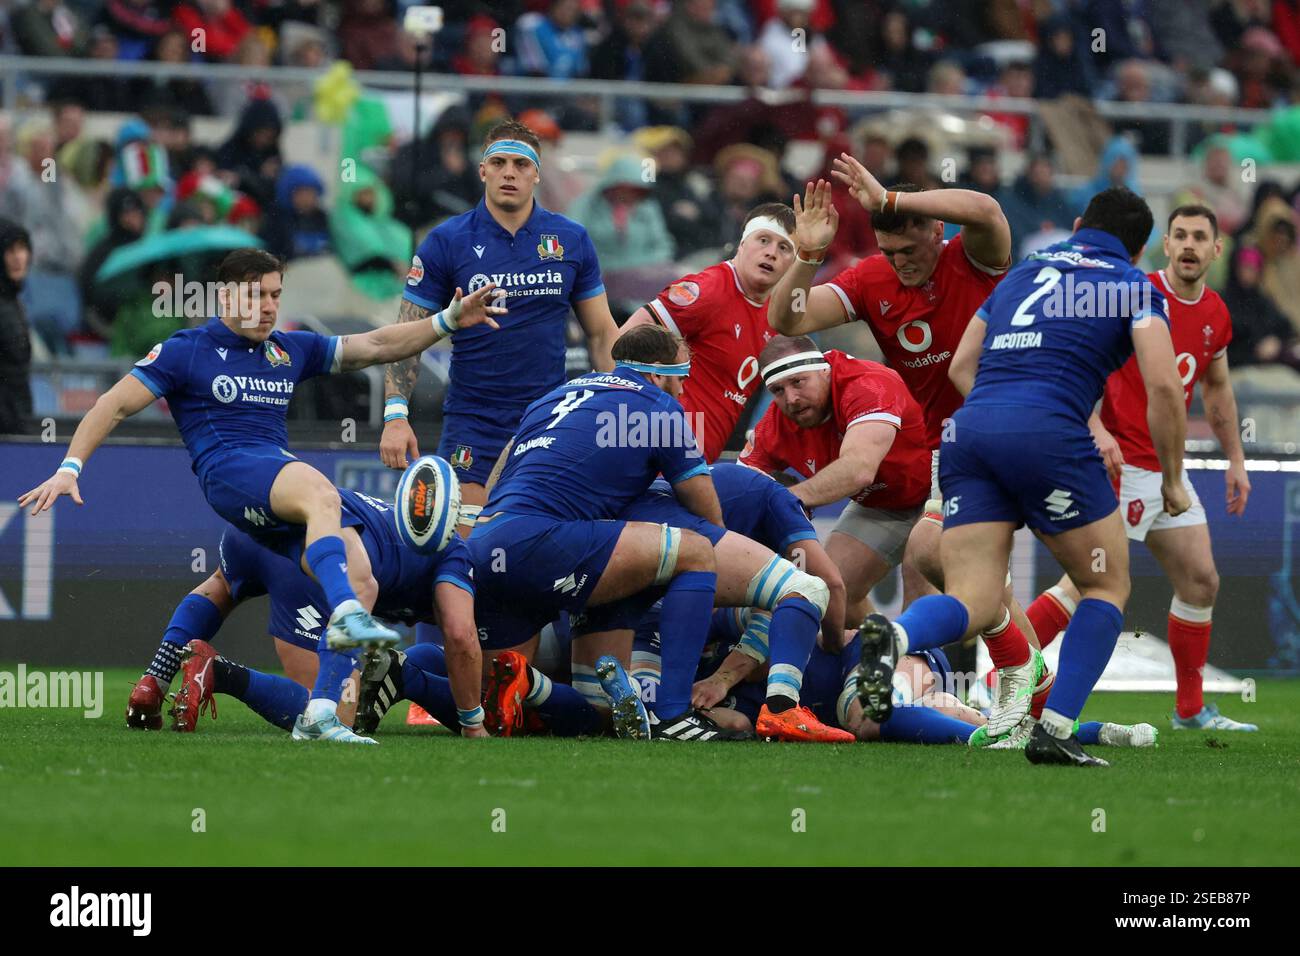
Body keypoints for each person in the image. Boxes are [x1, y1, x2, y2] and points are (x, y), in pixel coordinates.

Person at [18, 248, 504, 743]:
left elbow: (377, 344)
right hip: (230, 469)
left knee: (359, 573)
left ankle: (317, 714)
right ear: (225, 295)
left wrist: (446, 320)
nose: (269, 306)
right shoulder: (188, 350)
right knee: (321, 492)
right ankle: (349, 617)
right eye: (257, 295)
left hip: (268, 498)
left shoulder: (288, 349)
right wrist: (70, 468)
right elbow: (114, 403)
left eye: (275, 294)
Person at [856, 187, 1188, 767]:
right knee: (1105, 584)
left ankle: (898, 637)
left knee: (978, 598)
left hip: (971, 431)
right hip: (1051, 434)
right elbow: (1163, 387)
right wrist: (1174, 478)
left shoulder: (1022, 273)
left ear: (1080, 223)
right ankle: (1055, 729)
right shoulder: (1133, 286)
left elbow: (962, 366)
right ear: (1139, 251)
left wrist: (1001, 421)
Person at [1025, 205, 1258, 733]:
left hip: (1168, 471)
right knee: (1084, 587)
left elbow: (1217, 390)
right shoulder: (1132, 292)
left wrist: (1236, 460)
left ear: (1217, 249)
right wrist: (1095, 427)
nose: (1191, 245)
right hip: (1120, 466)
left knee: (1200, 581)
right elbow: (1075, 360)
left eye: (1201, 236)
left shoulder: (1216, 313)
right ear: (1166, 246)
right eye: (1180, 236)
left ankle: (1190, 710)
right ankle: (1004, 680)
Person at [467, 325, 732, 740]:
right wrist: (716, 571)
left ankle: (409, 671)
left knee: (497, 711)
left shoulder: (551, 397)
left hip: (484, 543)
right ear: (657, 373)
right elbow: (704, 506)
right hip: (541, 542)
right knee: (697, 551)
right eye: (680, 378)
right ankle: (675, 715)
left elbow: (502, 466)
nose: (682, 391)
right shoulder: (657, 405)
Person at [380, 121, 618, 535]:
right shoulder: (445, 241)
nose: (510, 172)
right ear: (482, 171)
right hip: (474, 421)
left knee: (539, 542)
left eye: (522, 164)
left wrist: (626, 407)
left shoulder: (571, 239)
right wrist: (395, 416)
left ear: (537, 174)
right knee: (471, 548)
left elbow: (600, 334)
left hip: (548, 419)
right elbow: (407, 336)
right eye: (500, 162)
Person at [129, 487, 481, 739]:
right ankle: (219, 673)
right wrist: (472, 722)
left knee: (219, 586)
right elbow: (460, 636)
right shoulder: (456, 554)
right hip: (313, 555)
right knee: (330, 714)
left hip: (258, 522)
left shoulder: (388, 518)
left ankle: (153, 679)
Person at [738, 336, 930, 630]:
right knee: (829, 593)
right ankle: (878, 657)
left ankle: (1021, 662)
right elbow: (738, 490)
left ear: (824, 370)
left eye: (798, 382)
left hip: (940, 490)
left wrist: (787, 500)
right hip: (882, 504)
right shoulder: (775, 423)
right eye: (778, 390)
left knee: (924, 602)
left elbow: (858, 470)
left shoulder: (867, 384)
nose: (790, 399)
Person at [620, 202, 797, 462]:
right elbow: (622, 345)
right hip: (659, 458)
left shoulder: (776, 314)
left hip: (697, 463)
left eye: (784, 248)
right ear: (742, 245)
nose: (771, 253)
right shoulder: (709, 290)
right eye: (763, 240)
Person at [0, 219, 33, 436]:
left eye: (22, 248)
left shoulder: (14, 301)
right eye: (9, 250)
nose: (17, 257)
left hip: (15, 422)